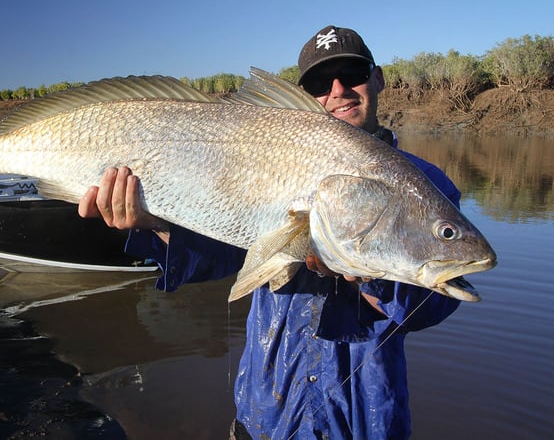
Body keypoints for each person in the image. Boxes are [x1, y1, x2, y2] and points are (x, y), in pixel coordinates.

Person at [78, 25, 462, 439]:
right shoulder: (263, 155)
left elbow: (435, 302)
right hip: (267, 413)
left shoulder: (425, 183)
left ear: (378, 78)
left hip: (365, 420)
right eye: (319, 82)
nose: (338, 91)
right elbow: (219, 254)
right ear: (303, 94)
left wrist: (368, 270)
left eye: (351, 74)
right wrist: (154, 223)